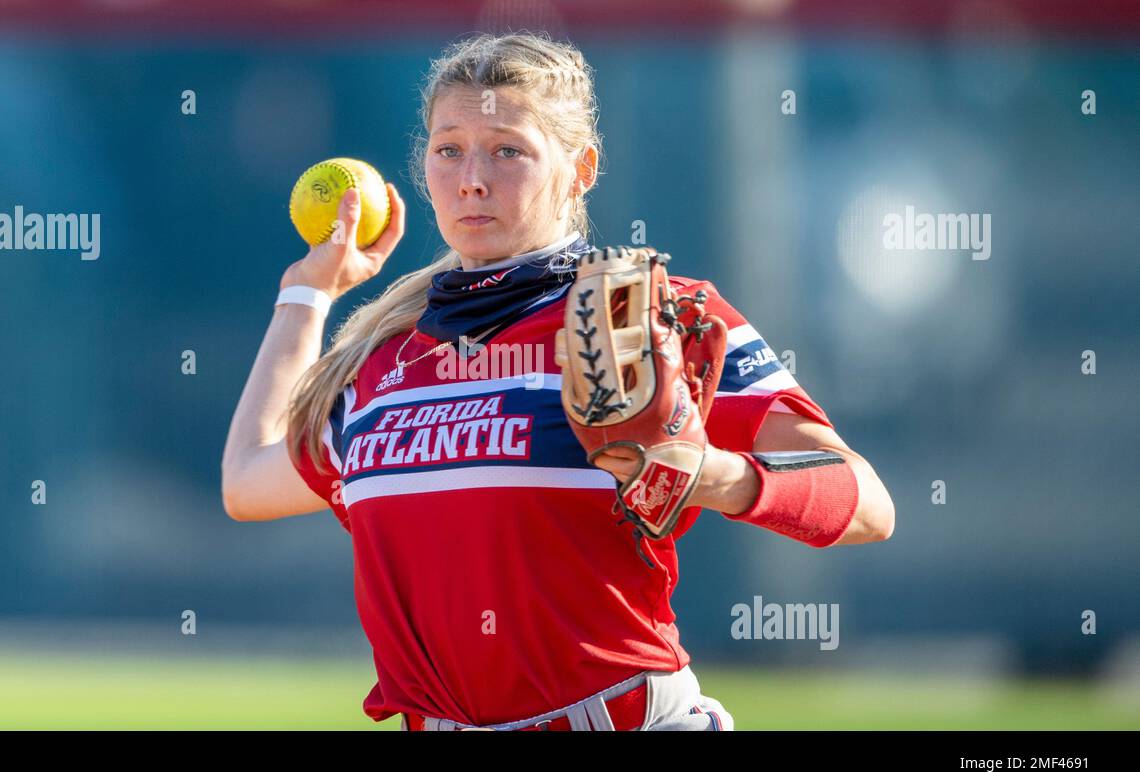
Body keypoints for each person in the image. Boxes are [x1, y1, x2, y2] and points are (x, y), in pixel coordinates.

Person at [222, 31, 895, 731]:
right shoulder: (386, 360)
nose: (472, 178)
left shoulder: (642, 317)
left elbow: (869, 503)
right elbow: (246, 481)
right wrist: (305, 296)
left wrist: (714, 475)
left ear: (580, 168)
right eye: (449, 148)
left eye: (508, 150)